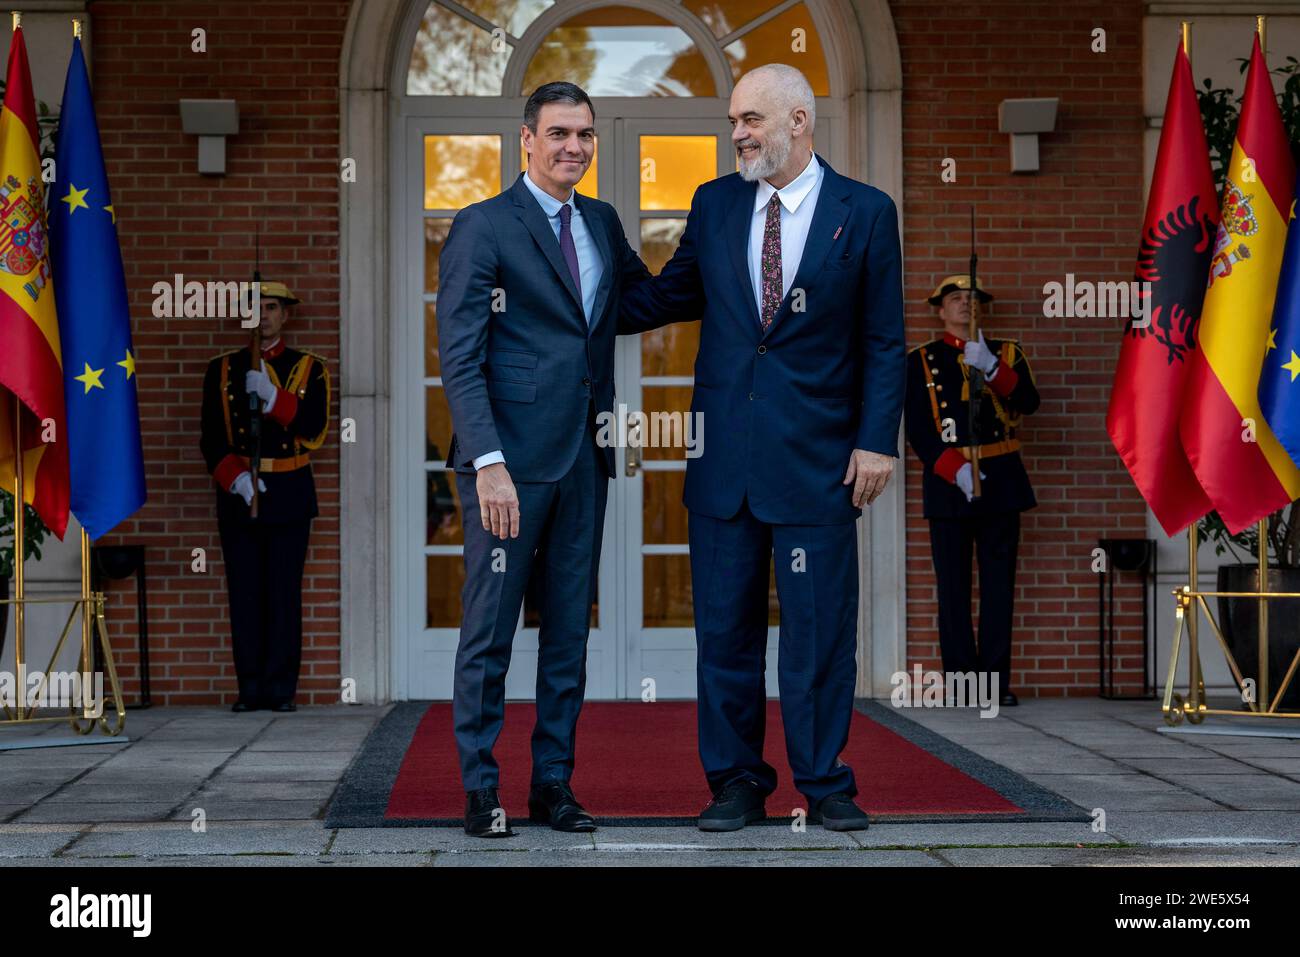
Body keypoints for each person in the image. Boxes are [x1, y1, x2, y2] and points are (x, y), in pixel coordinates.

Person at [619, 63, 906, 832]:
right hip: (724, 462)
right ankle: (736, 782)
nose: (738, 133)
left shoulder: (867, 212)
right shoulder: (715, 204)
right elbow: (667, 293)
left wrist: (878, 441)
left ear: (799, 121)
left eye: (750, 118)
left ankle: (825, 780)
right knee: (725, 633)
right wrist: (576, 277)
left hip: (820, 461)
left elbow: (883, 341)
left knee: (819, 631)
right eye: (734, 120)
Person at [437, 81, 650, 838]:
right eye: (559, 133)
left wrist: (727, 249)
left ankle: (553, 784)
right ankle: (479, 786)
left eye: (585, 135)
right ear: (526, 139)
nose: (574, 147)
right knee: (490, 630)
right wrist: (487, 461)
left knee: (567, 632)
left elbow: (644, 302)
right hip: (509, 468)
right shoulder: (484, 226)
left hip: (583, 463)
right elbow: (460, 357)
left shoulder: (601, 221)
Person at [904, 274, 1039, 708]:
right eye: (956, 299)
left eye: (972, 299)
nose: (965, 305)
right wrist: (954, 469)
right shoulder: (920, 361)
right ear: (940, 310)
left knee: (1000, 587)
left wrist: (993, 369)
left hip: (1001, 480)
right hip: (949, 485)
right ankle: (964, 685)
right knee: (954, 589)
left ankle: (995, 684)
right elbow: (920, 430)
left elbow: (1030, 403)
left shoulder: (1006, 353)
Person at [199, 280, 330, 713]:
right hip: (241, 494)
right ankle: (250, 688)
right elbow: (211, 438)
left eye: (272, 307)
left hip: (289, 492)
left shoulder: (309, 368)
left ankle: (280, 690)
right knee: (245, 593)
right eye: (256, 308)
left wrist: (274, 398)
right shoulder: (221, 370)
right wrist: (235, 478)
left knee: (283, 594)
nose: (264, 316)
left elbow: (314, 428)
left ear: (285, 315)